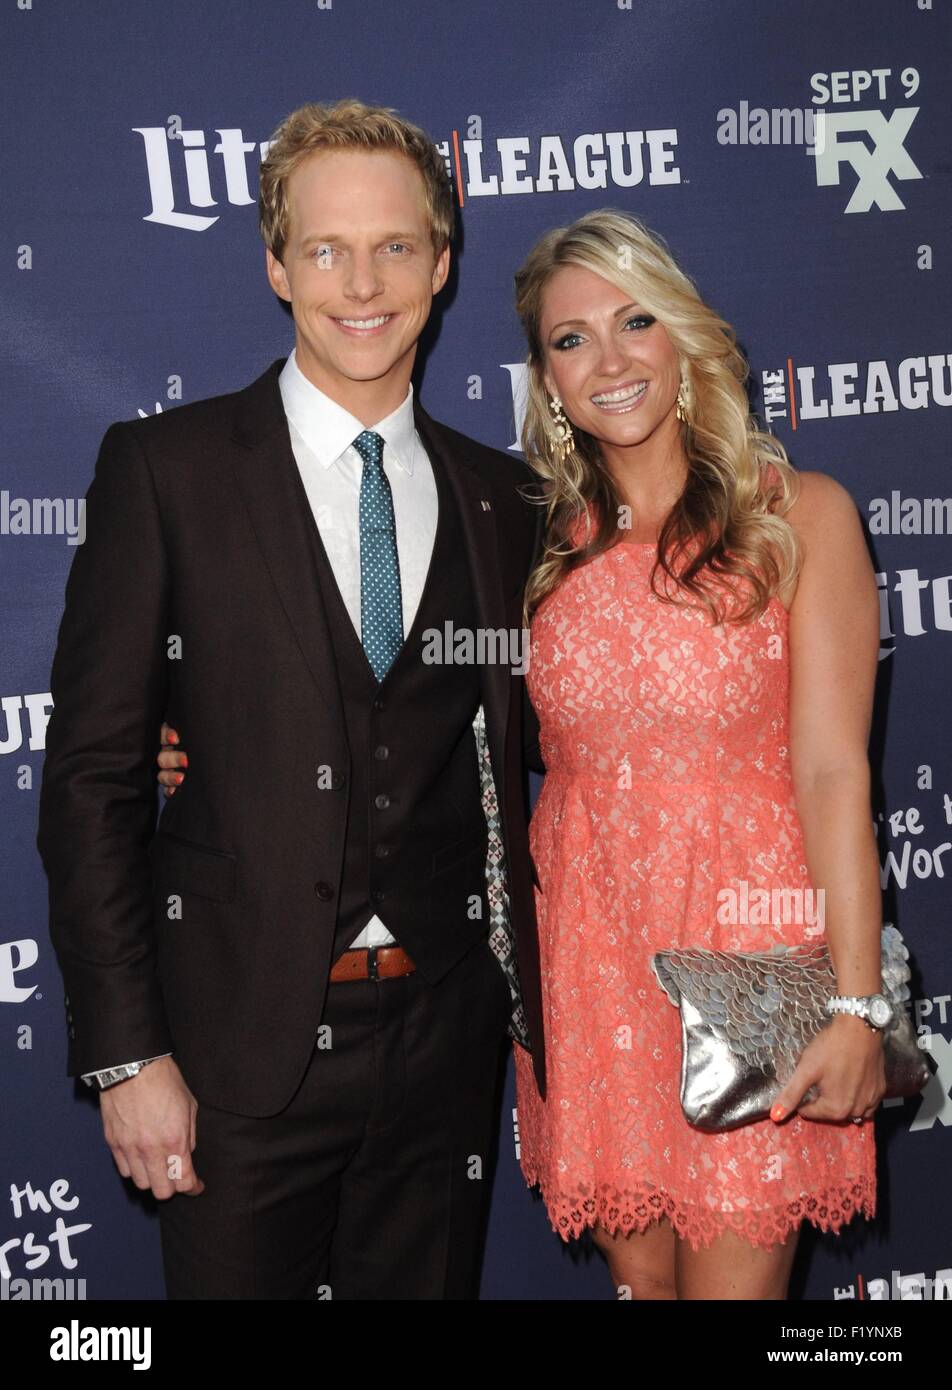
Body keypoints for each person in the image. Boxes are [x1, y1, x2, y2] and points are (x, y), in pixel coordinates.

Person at [36, 98, 546, 1300]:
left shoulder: (504, 499)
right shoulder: (165, 471)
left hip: (444, 1048)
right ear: (275, 264)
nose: (361, 282)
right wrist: (126, 1057)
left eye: (395, 246)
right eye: (325, 248)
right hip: (230, 1055)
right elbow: (94, 780)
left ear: (443, 260)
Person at [507, 208, 885, 1299]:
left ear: (684, 337)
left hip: (749, 975)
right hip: (593, 974)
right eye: (569, 339)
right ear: (544, 378)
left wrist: (856, 1007)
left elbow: (831, 773)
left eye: (635, 321)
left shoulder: (798, 516)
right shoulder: (537, 553)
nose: (608, 359)